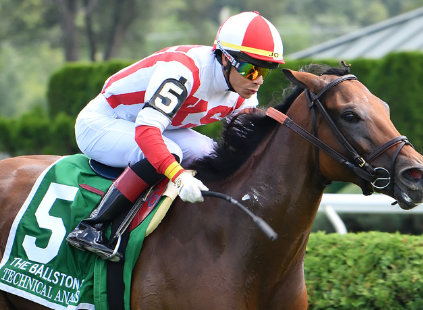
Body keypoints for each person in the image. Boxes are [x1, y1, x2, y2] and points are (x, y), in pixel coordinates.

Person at [66, 11, 284, 261]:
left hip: (159, 126)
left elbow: (247, 142)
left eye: (265, 72)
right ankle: (91, 227)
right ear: (225, 59)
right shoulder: (184, 71)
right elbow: (147, 132)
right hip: (104, 122)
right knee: (170, 155)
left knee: (209, 154)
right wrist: (178, 177)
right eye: (251, 69)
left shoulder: (243, 89)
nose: (257, 81)